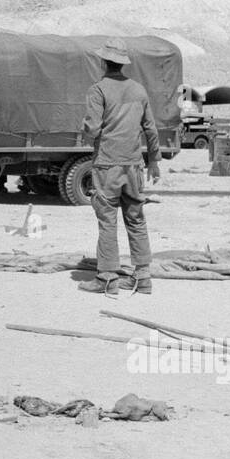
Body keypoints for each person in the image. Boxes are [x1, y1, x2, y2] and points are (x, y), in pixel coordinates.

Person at [78, 44, 161, 297]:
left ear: (104, 62)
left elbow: (91, 128)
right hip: (134, 165)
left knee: (107, 220)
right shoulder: (138, 89)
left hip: (107, 164)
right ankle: (143, 278)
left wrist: (86, 133)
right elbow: (151, 128)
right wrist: (154, 161)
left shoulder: (98, 90)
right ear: (122, 63)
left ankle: (107, 278)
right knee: (136, 220)